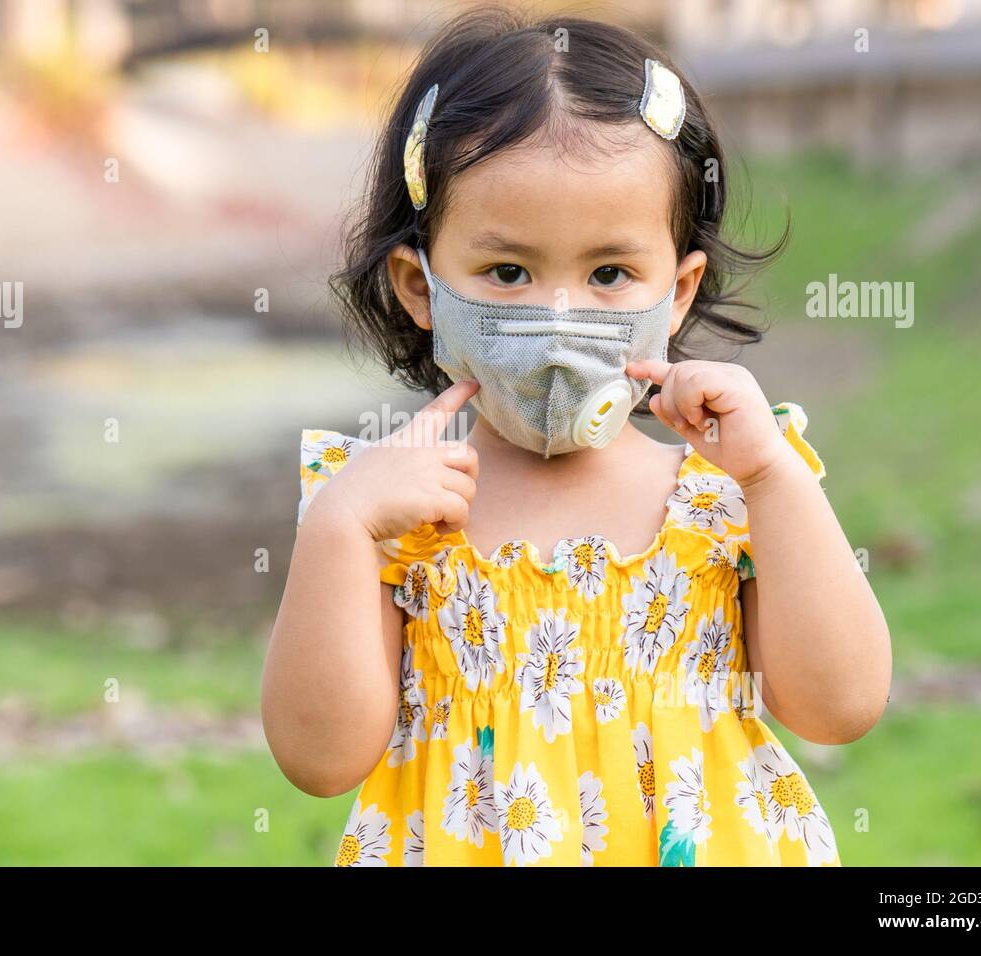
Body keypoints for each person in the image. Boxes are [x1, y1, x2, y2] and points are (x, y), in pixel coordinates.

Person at [262, 8, 891, 866]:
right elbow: (319, 760)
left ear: (676, 290)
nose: (560, 319)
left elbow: (841, 704)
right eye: (509, 272)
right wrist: (338, 530)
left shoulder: (725, 493)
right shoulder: (387, 513)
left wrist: (777, 480)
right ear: (420, 286)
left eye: (609, 274)